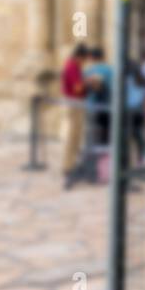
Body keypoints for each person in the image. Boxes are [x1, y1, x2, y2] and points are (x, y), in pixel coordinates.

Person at [60, 43, 88, 188]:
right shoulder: (72, 67)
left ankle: (71, 164)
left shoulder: (73, 66)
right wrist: (89, 83)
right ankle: (68, 166)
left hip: (74, 103)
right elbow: (77, 88)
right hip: (73, 103)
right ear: (79, 56)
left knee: (75, 136)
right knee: (71, 136)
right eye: (84, 59)